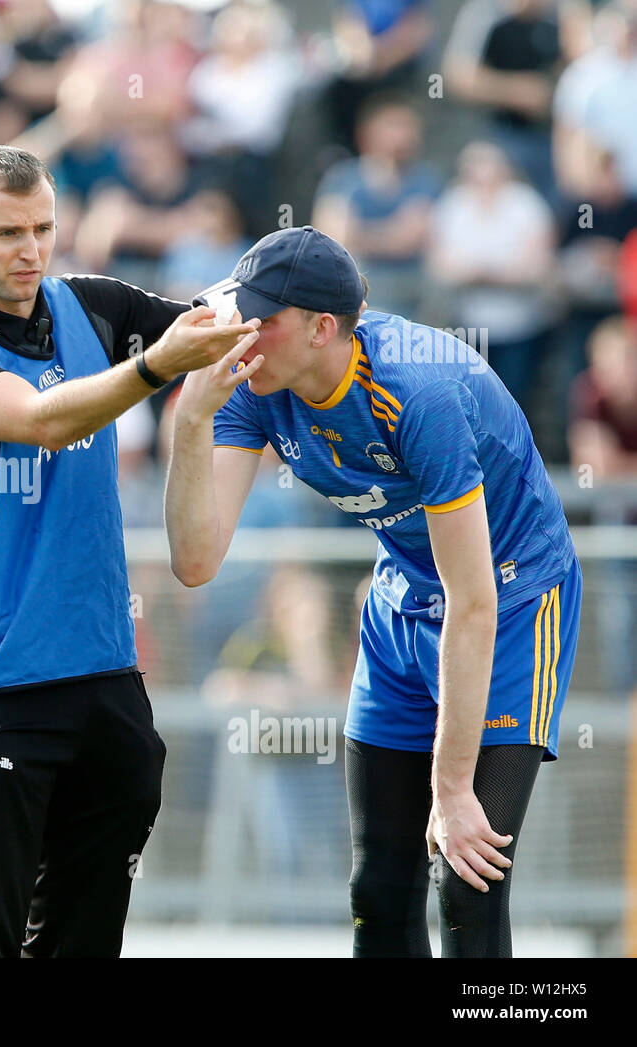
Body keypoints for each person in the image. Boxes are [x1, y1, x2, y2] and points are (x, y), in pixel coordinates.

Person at [166, 225, 581, 957]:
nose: (241, 337)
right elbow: (196, 560)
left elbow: (473, 600)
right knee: (378, 887)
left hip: (512, 602)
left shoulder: (420, 395)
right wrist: (191, 421)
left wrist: (451, 789)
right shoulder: (255, 385)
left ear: (323, 328)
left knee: (467, 882)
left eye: (260, 321)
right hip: (403, 595)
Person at [0, 145, 260, 957]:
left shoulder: (91, 304)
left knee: (83, 939)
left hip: (104, 675)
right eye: (7, 232)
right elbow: (45, 419)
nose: (31, 250)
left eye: (45, 229)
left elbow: (217, 321)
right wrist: (156, 365)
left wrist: (292, 285)